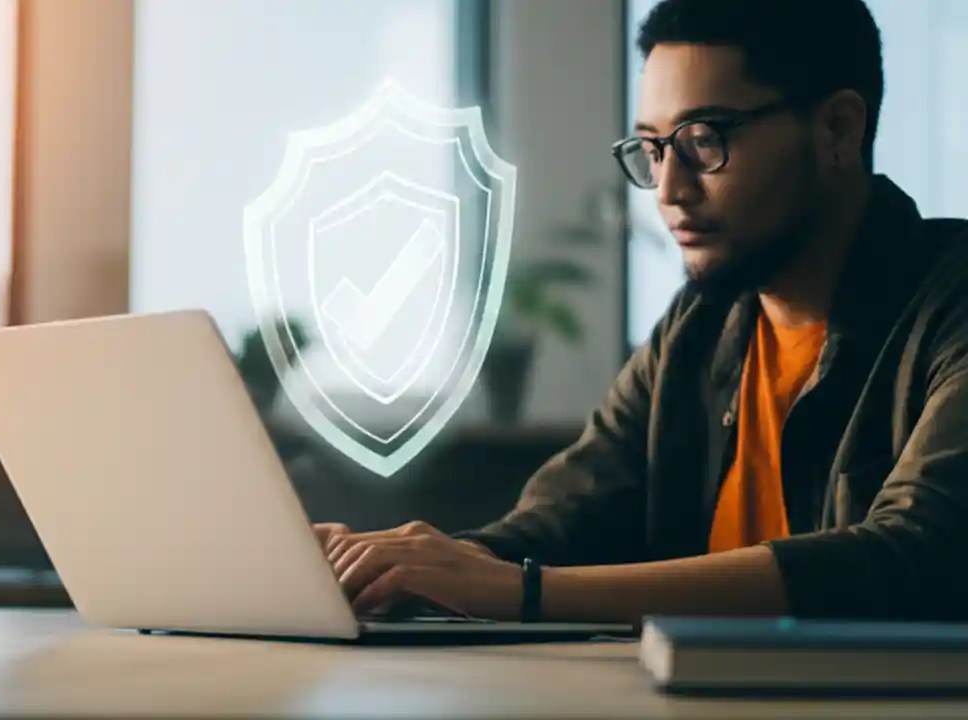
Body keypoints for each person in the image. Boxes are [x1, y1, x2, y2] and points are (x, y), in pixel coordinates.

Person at [313, 0, 968, 624]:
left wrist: (524, 590)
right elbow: (562, 522)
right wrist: (407, 570)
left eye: (704, 140)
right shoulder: (698, 329)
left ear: (837, 129)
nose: (671, 190)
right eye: (653, 150)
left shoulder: (950, 302)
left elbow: (913, 556)